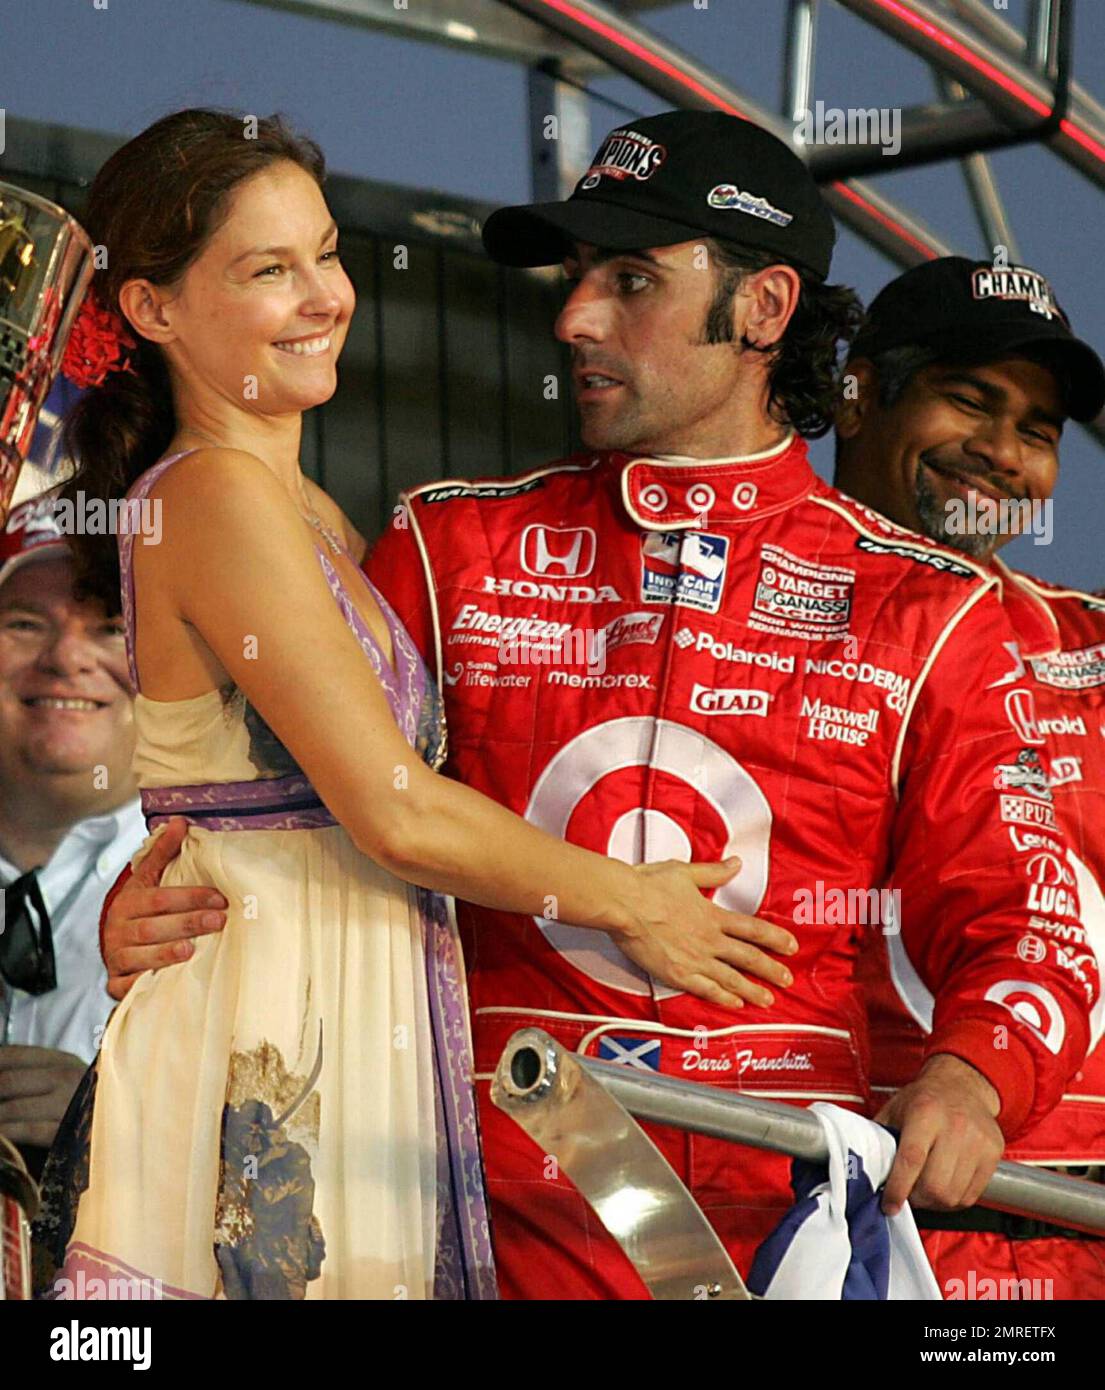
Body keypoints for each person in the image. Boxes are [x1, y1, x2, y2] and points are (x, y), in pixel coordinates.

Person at [100, 110, 1095, 1299]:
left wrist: (972, 1077)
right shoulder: (444, 540)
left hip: (782, 1220)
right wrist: (160, 884)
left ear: (765, 310)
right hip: (469, 1215)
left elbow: (1028, 918)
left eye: (631, 281)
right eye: (576, 279)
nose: (574, 318)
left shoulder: (925, 607)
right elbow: (315, 791)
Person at [35, 108, 786, 1303]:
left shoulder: (319, 514)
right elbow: (395, 812)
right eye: (267, 269)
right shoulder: (216, 495)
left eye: (326, 253)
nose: (325, 294)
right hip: (265, 1049)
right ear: (154, 311)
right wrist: (630, 901)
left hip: (358, 1028)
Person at [834, 254, 1105, 1299]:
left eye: (1035, 431)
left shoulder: (1085, 647)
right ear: (857, 395)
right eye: (970, 402)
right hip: (878, 1210)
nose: (1000, 454)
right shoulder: (744, 616)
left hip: (1080, 1226)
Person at [0, 497, 145, 1182]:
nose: (65, 658)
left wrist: (118, 1126)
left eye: (111, 629)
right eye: (26, 624)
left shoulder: (227, 889)